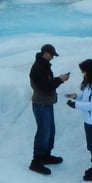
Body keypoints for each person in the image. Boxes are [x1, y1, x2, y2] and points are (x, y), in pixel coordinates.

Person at [28, 43, 70, 175]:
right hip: (41, 105)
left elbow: (48, 83)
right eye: (52, 55)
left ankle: (45, 155)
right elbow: (46, 87)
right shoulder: (37, 69)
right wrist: (60, 80)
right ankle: (36, 162)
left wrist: (58, 79)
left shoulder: (44, 66)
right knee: (43, 132)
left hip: (47, 104)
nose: (53, 58)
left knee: (50, 131)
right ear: (46, 53)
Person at [65, 58, 92, 181]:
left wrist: (76, 105)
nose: (82, 73)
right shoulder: (90, 83)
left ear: (89, 71)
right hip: (90, 119)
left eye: (83, 71)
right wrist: (76, 96)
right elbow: (86, 97)